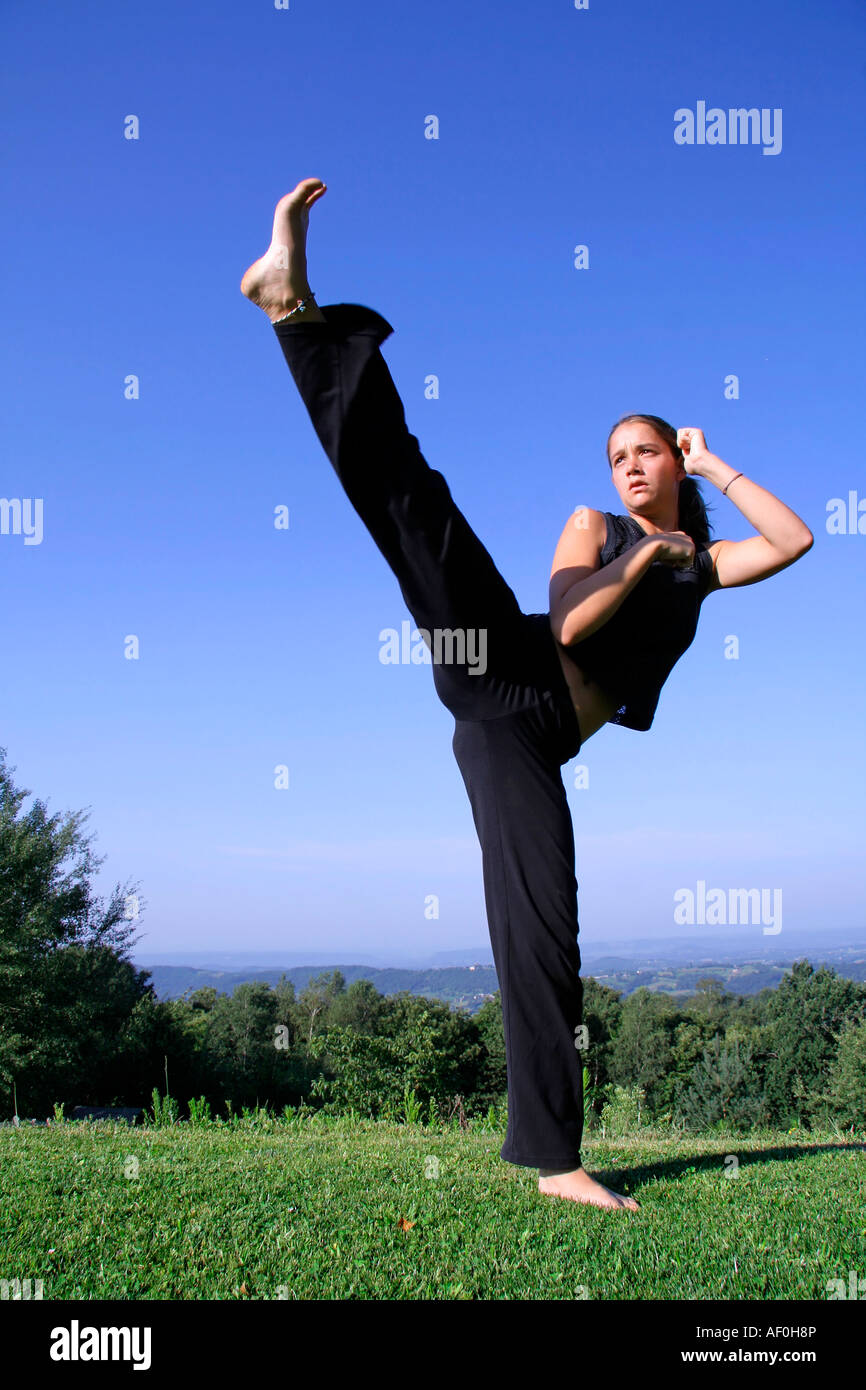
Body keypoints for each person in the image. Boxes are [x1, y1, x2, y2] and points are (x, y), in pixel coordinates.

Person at [240, 179, 814, 1211]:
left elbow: (792, 540)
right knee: (415, 509)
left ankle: (555, 1164)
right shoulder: (596, 530)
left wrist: (709, 462)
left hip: (527, 741)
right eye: (617, 457)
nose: (628, 467)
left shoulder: (698, 559)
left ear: (669, 465)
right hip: (499, 664)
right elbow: (565, 625)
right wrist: (640, 562)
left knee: (541, 928)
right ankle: (294, 310)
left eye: (644, 453)